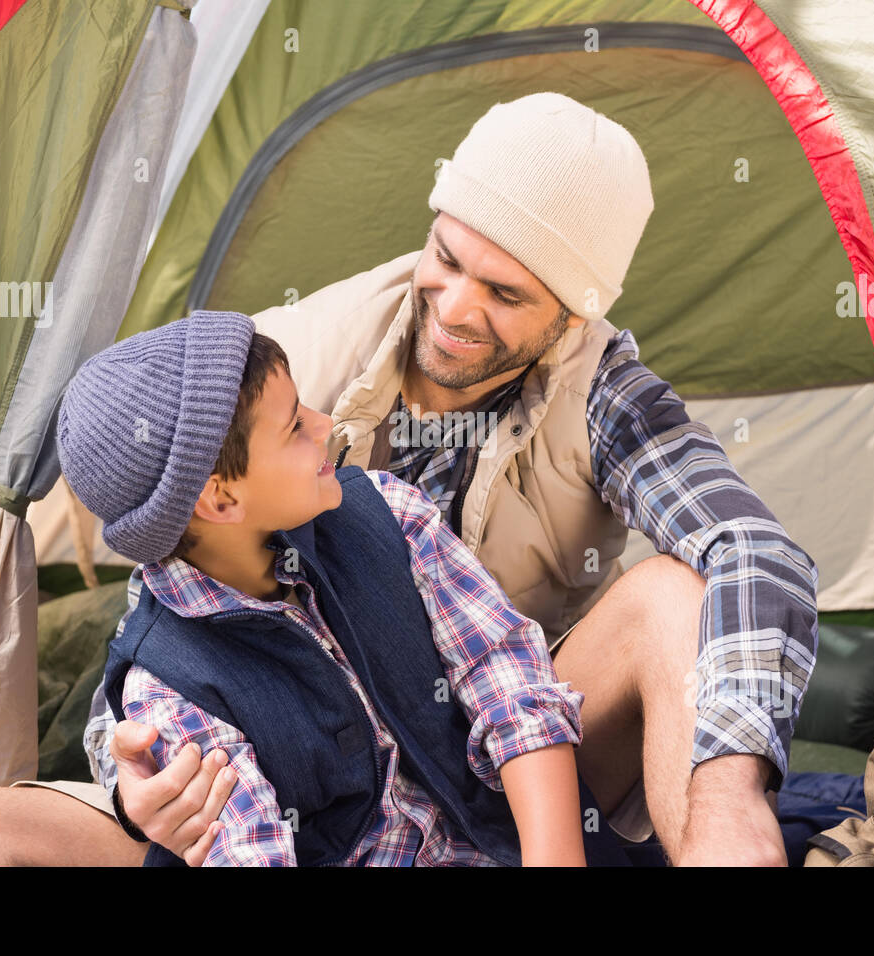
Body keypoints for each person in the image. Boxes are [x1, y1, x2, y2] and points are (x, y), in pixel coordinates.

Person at [0, 92, 818, 867]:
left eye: (505, 294)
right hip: (287, 793)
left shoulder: (602, 396)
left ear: (572, 313)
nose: (452, 311)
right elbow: (174, 597)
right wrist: (132, 780)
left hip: (501, 774)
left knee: (673, 598)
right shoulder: (283, 364)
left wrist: (728, 783)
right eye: (446, 260)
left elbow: (750, 553)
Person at [63, 313, 609, 865]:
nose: (325, 424)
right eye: (294, 426)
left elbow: (505, 679)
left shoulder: (388, 511)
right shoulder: (169, 688)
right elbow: (249, 851)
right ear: (221, 501)